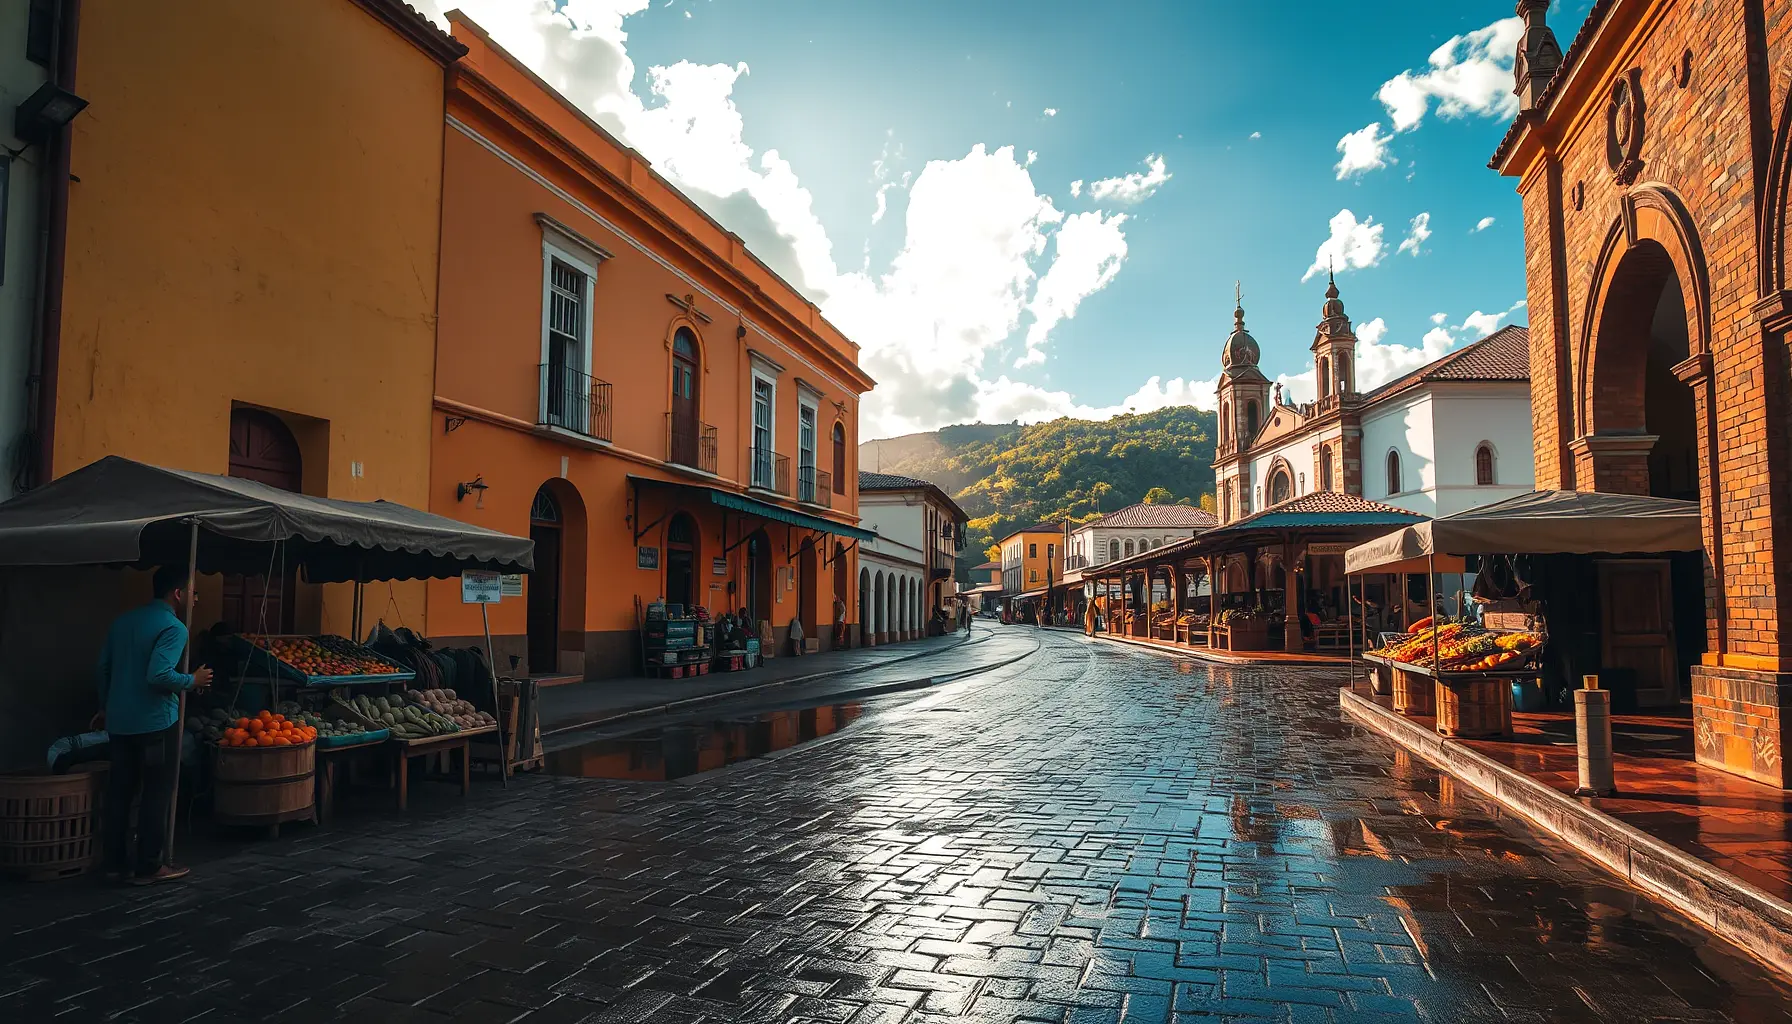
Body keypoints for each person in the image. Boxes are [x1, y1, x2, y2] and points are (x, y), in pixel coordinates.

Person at [97, 565, 213, 885]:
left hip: (119, 722)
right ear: (178, 594)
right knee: (156, 793)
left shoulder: (123, 621)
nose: (195, 598)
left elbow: (103, 668)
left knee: (119, 792)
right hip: (155, 724)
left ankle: (113, 864)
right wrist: (192, 680)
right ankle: (149, 865)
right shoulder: (174, 627)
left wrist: (105, 706)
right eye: (194, 592)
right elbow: (159, 675)